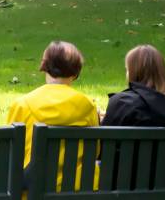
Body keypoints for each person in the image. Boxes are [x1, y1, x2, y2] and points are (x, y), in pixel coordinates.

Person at [102, 45, 165, 189]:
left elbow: (104, 148)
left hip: (125, 186)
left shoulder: (123, 102)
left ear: (134, 72)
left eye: (127, 69)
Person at [6, 41, 99, 191]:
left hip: (34, 191)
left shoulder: (23, 104)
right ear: (76, 73)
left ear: (44, 67)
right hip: (80, 189)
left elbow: (11, 152)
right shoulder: (88, 106)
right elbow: (95, 149)